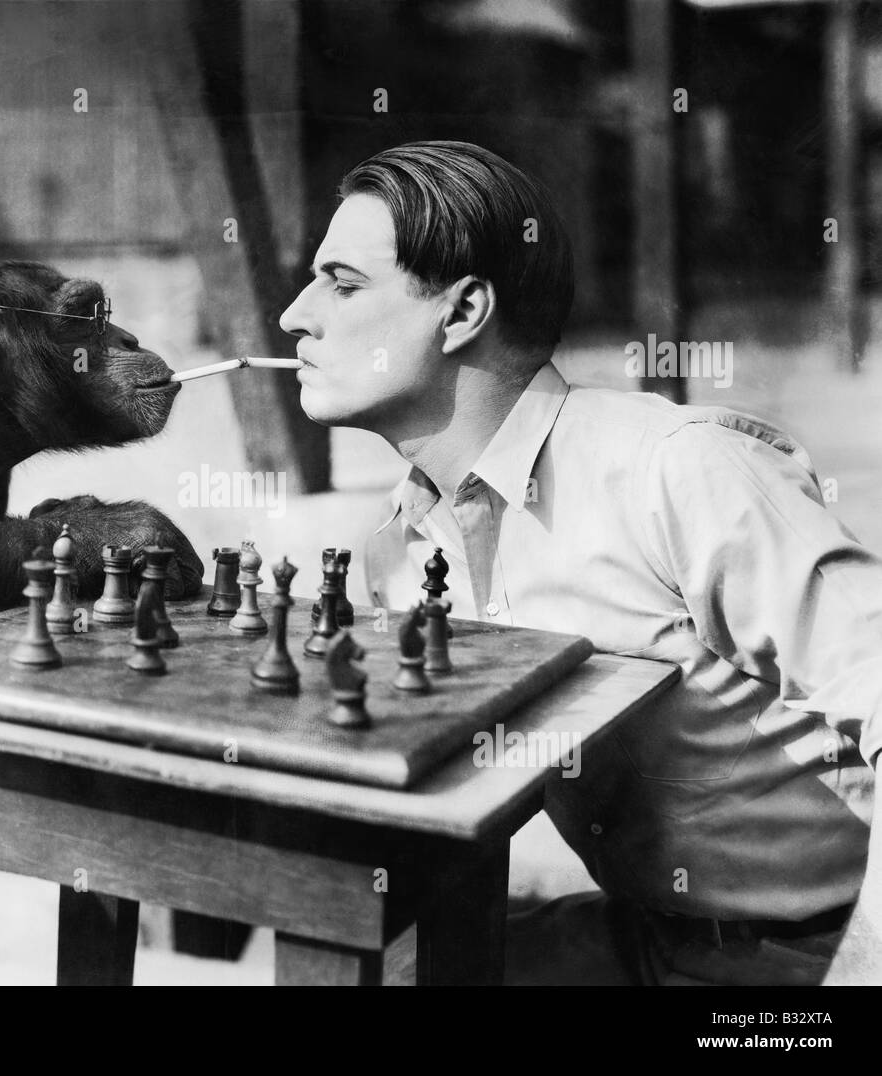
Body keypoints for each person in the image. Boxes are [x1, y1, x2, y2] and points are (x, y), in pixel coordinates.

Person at [278, 140, 882, 985]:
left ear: (461, 313)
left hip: (821, 954)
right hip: (644, 937)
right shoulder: (407, 545)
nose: (294, 316)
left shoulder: (676, 467)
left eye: (342, 284)